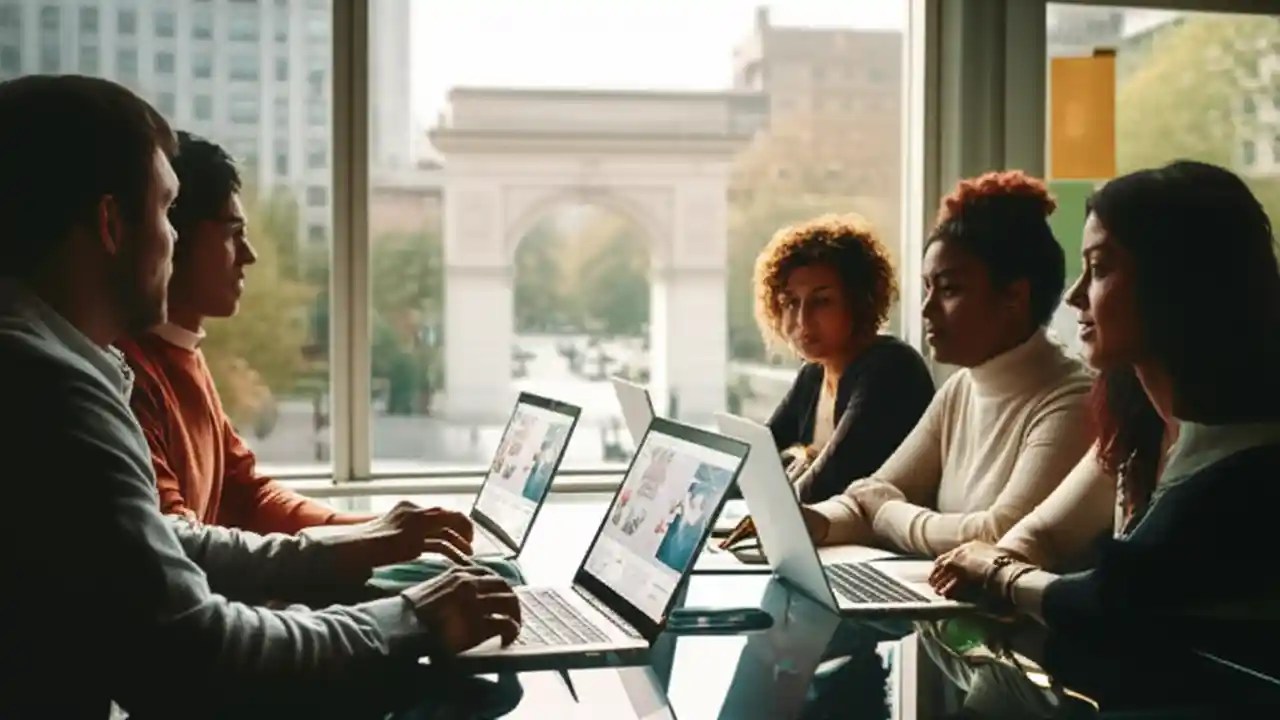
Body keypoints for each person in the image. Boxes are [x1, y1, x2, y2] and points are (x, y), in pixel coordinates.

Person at [0, 75, 520, 717]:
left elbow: (170, 540)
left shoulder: (58, 364)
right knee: (462, 684)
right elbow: (190, 652)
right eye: (165, 210)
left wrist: (355, 546)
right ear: (111, 223)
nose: (172, 238)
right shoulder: (49, 389)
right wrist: (407, 617)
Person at [930, 161, 1280, 636]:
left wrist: (999, 574)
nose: (1075, 296)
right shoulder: (1137, 423)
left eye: (1098, 269)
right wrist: (991, 568)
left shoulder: (1250, 462)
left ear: (1177, 280)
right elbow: (1044, 532)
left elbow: (1114, 600)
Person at [795, 172, 1095, 556]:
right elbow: (868, 499)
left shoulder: (1072, 401)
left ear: (1015, 297)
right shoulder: (960, 389)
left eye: (949, 289)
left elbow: (1000, 535)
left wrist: (887, 513)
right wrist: (810, 521)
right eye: (927, 287)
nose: (927, 309)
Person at [117, 131, 372, 534]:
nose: (248, 256)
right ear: (175, 235)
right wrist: (371, 541)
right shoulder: (129, 374)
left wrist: (378, 529)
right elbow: (174, 539)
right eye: (232, 233)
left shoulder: (184, 354)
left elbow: (248, 495)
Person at [752, 213, 934, 503]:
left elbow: (830, 481)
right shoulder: (813, 374)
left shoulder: (891, 368)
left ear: (859, 301)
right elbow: (755, 460)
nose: (802, 320)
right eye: (790, 302)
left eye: (822, 301)